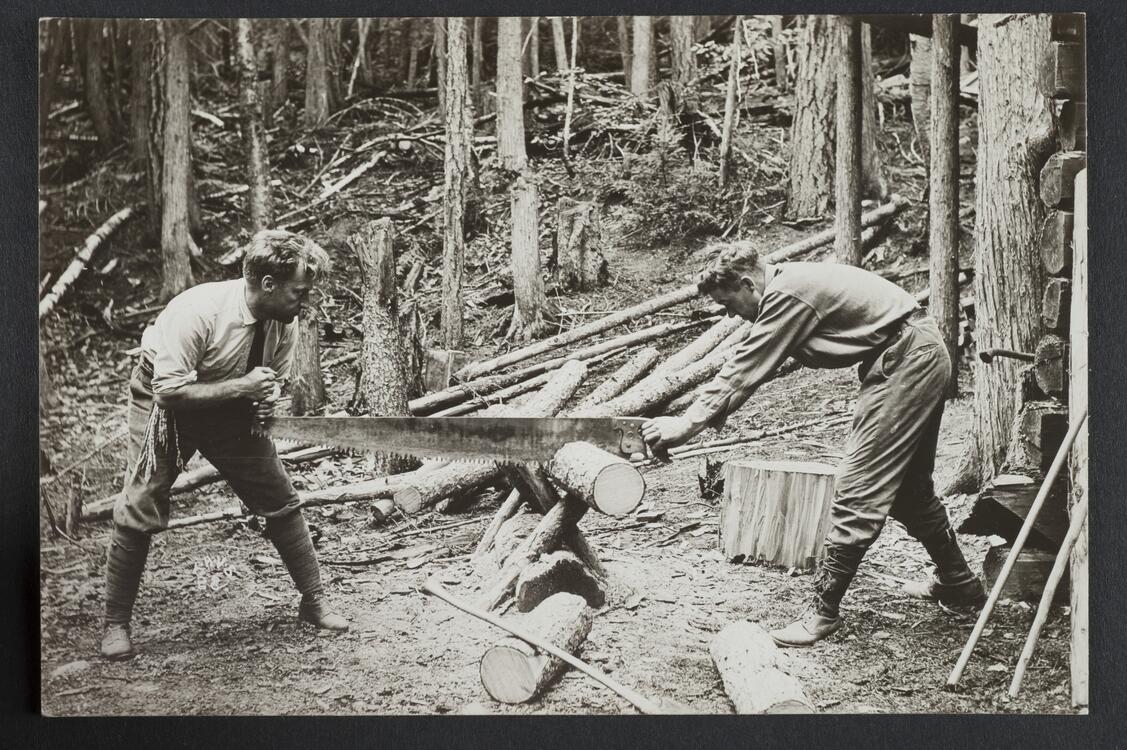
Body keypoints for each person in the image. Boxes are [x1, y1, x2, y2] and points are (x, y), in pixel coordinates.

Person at [642, 242, 985, 648]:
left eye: (727, 303)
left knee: (858, 487)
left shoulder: (787, 294)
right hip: (912, 353)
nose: (729, 314)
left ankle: (823, 612)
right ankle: (960, 583)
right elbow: (754, 367)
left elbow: (743, 368)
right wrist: (707, 415)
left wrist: (685, 424)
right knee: (909, 490)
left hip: (906, 359)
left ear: (748, 283)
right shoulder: (788, 286)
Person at [100, 230, 349, 661]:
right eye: (298, 291)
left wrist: (262, 402)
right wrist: (245, 387)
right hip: (168, 405)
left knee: (280, 497)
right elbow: (168, 393)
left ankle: (314, 601)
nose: (303, 301)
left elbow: (269, 381)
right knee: (140, 502)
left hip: (230, 402)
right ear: (268, 284)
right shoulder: (197, 312)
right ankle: (115, 624)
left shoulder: (282, 322)